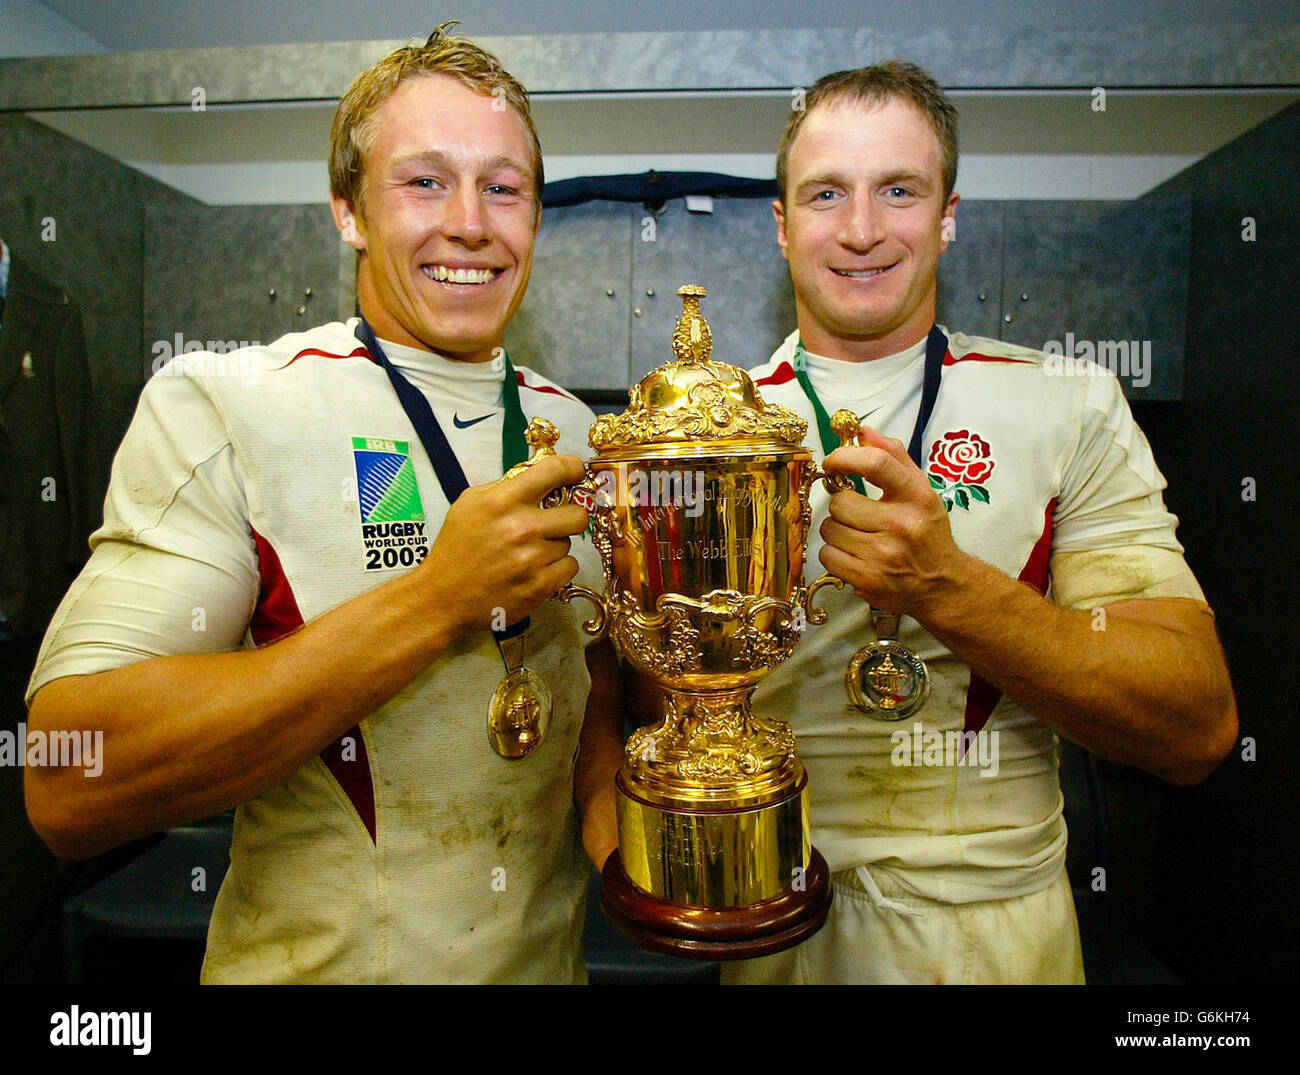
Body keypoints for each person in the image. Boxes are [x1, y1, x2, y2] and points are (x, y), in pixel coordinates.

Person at [23, 24, 623, 984]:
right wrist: (437, 602)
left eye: (503, 188)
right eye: (424, 181)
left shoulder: (583, 436)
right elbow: (68, 774)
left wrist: (607, 820)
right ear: (348, 209)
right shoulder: (229, 406)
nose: (470, 222)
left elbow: (584, 678)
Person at [724, 62, 1237, 984]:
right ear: (782, 224)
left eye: (900, 192)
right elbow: (631, 707)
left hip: (1003, 938)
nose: (863, 229)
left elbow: (1196, 724)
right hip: (777, 923)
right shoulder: (703, 430)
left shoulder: (1066, 402)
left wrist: (950, 589)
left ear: (950, 216)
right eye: (827, 193)